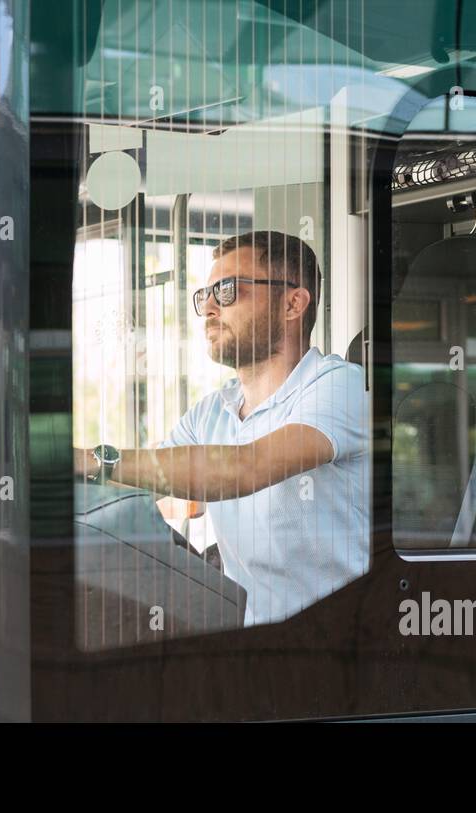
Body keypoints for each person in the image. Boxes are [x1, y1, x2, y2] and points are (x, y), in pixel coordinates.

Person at [75, 230, 370, 624]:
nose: (210, 307)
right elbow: (154, 478)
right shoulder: (211, 414)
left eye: (228, 290)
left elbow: (246, 467)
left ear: (293, 303)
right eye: (206, 295)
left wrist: (93, 461)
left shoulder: (341, 386)